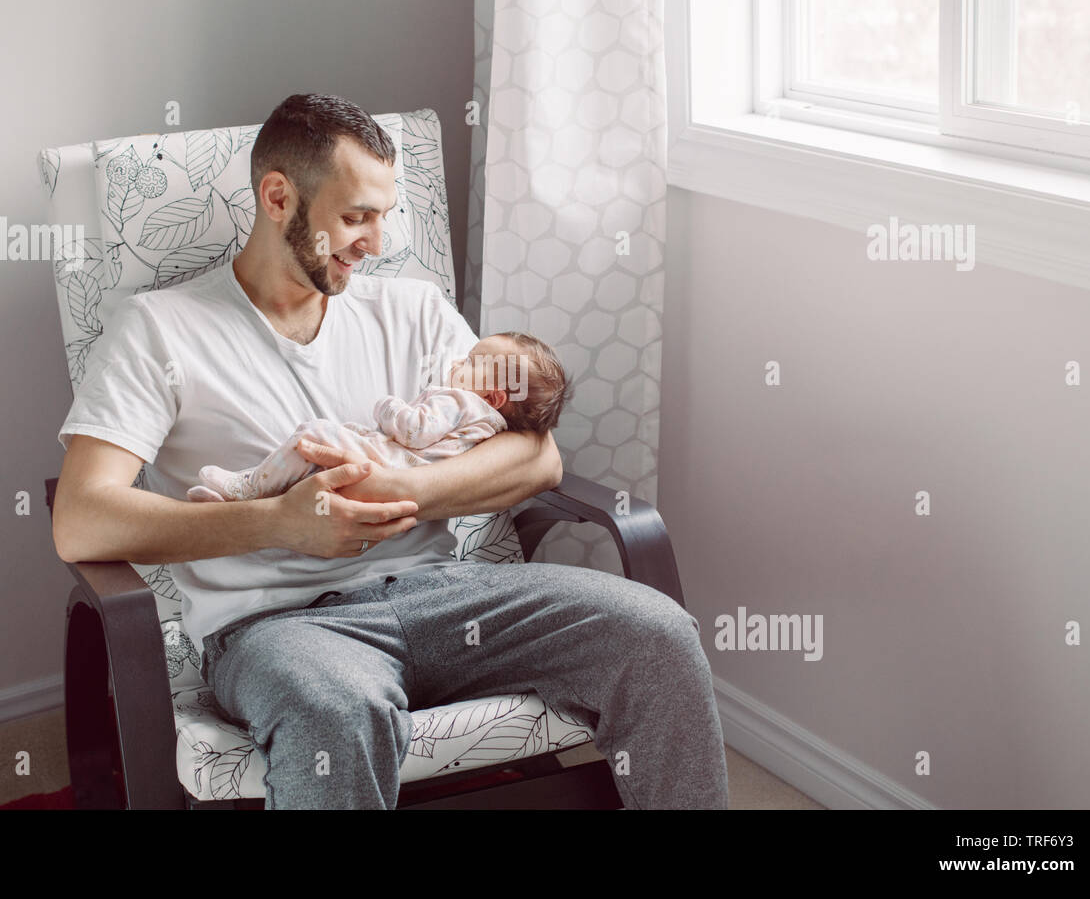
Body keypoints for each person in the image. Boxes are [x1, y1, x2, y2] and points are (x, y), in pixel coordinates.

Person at [51, 92, 729, 809]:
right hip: (281, 629)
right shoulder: (160, 329)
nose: (376, 242)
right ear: (278, 197)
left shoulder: (412, 308)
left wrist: (396, 495)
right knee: (337, 713)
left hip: (451, 598)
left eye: (384, 214)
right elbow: (83, 518)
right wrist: (282, 522)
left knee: (657, 634)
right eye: (355, 218)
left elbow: (537, 458)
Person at [184, 331, 572, 502]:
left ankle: (248, 488)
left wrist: (389, 408)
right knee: (327, 449)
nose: (457, 362)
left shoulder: (461, 402)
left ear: (496, 394)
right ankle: (247, 499)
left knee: (315, 433)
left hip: (395, 463)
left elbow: (415, 431)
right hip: (397, 465)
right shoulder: (492, 425)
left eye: (471, 362)